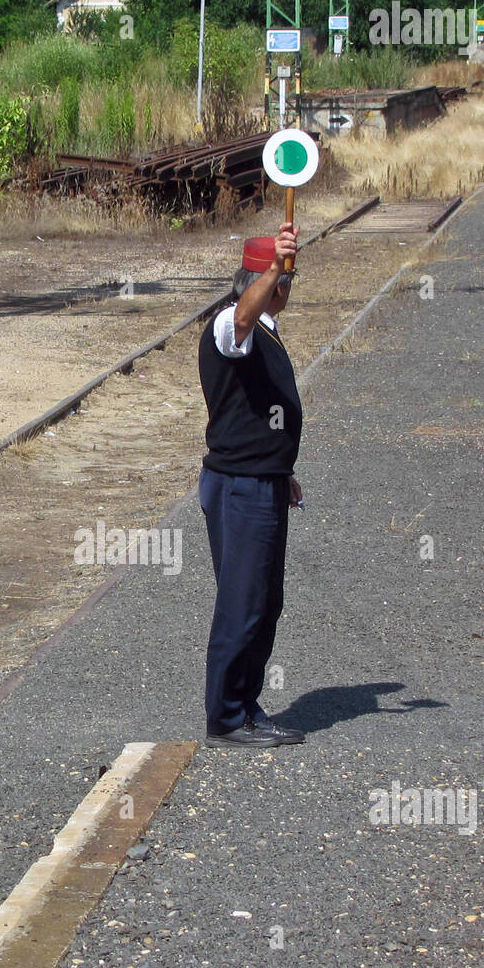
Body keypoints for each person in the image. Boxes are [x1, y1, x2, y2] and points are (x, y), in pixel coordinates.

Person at [197, 222, 305, 749]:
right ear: (269, 282)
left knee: (264, 600)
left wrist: (282, 470)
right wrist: (273, 269)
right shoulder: (231, 325)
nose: (289, 289)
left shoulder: (266, 330)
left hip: (261, 481)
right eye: (287, 279)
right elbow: (241, 316)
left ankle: (247, 702)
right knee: (241, 601)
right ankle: (226, 716)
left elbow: (259, 411)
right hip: (238, 487)